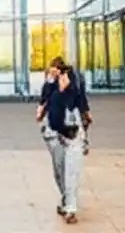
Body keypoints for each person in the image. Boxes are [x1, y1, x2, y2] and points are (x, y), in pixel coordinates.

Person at [36, 56, 91, 217]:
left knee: (71, 171)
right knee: (59, 170)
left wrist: (86, 120)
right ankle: (66, 199)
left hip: (73, 135)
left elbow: (81, 105)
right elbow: (43, 105)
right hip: (54, 134)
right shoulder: (50, 87)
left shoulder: (73, 88)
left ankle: (70, 207)